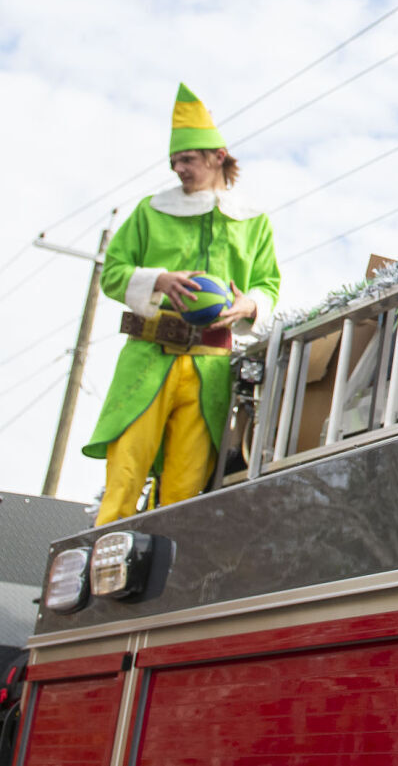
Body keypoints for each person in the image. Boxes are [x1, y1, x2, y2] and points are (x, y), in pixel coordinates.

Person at [85, 84, 280, 526]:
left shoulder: (254, 222)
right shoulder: (150, 212)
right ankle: (104, 555)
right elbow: (113, 272)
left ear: (218, 156)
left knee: (184, 488)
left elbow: (268, 284)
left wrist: (249, 305)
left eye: (187, 159)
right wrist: (158, 279)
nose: (178, 169)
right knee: (125, 474)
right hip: (146, 359)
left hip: (210, 367)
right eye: (174, 161)